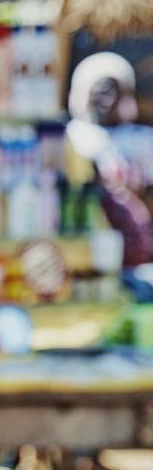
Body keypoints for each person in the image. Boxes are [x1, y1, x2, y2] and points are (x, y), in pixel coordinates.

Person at [65, 51, 153, 300]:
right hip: (87, 255)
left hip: (135, 258)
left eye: (113, 92)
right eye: (100, 91)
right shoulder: (73, 139)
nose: (106, 100)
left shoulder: (141, 141)